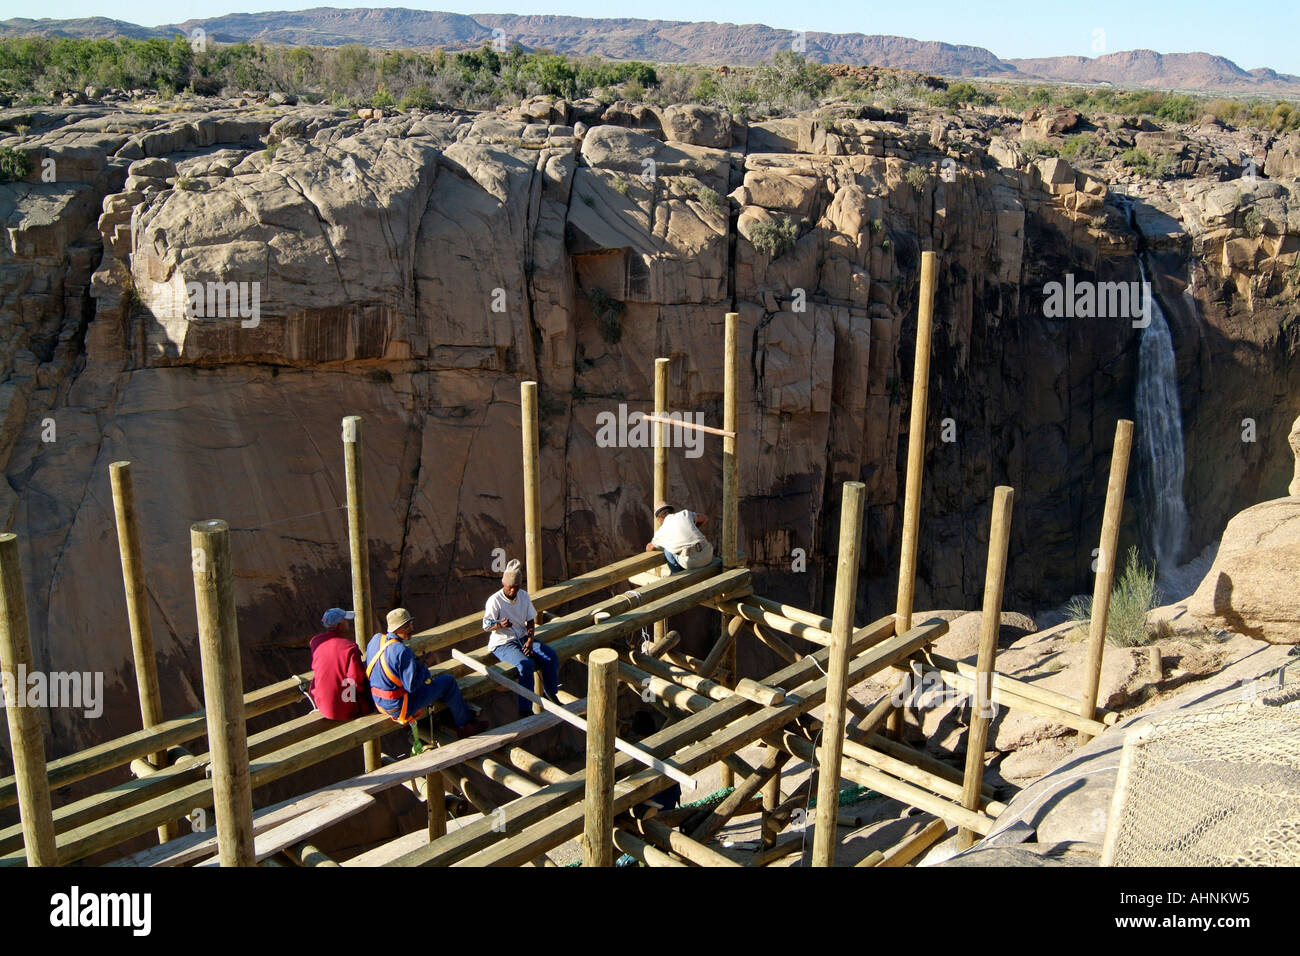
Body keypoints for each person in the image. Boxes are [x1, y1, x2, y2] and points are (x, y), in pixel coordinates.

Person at [366, 608, 488, 738]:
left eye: (411, 624)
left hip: (379, 703)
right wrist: (425, 665)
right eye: (407, 626)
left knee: (435, 683)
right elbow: (412, 687)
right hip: (399, 708)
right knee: (448, 682)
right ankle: (464, 726)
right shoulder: (402, 651)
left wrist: (413, 665)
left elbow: (389, 669)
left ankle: (449, 717)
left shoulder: (376, 639)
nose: (412, 628)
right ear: (398, 628)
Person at [483, 559, 560, 716]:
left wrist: (530, 640)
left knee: (550, 656)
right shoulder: (494, 601)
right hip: (503, 643)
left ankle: (551, 693)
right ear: (503, 584)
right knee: (525, 665)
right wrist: (499, 625)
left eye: (516, 587)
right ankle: (525, 709)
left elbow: (530, 620)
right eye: (510, 587)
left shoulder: (523, 596)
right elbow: (486, 626)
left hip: (523, 637)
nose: (512, 591)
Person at [308, 608, 373, 720]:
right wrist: (352, 700)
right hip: (343, 709)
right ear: (339, 625)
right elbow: (355, 680)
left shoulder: (315, 642)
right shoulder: (349, 647)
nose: (347, 623)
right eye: (345, 620)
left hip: (322, 703)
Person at [645, 500, 713, 572]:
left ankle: (676, 574)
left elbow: (650, 547)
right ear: (673, 511)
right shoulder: (685, 514)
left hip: (692, 563)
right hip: (708, 555)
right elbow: (704, 518)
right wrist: (694, 527)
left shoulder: (661, 532)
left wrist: (648, 547)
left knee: (667, 550)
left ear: (658, 519)